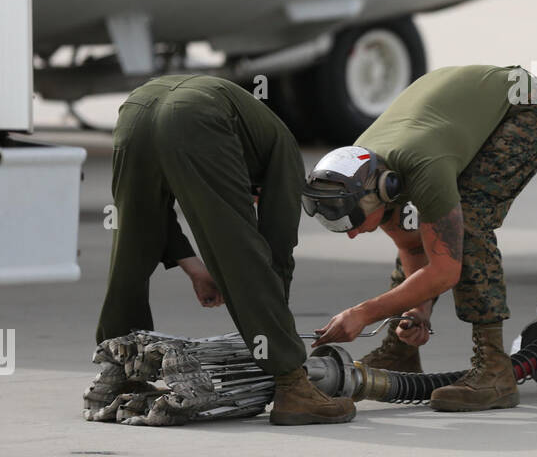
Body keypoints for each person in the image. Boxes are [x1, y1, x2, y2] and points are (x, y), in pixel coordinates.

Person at [95, 75, 355, 426]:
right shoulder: (286, 152)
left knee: (130, 238)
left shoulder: (254, 134)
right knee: (240, 251)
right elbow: (273, 251)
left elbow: (152, 219)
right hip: (197, 116)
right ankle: (293, 388)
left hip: (136, 109)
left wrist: (196, 269)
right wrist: (276, 336)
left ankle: (118, 373)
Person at [303, 64, 537, 413]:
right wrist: (417, 313)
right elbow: (411, 244)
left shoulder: (422, 166)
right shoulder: (364, 169)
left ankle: (495, 370)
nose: (351, 234)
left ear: (383, 190)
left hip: (524, 103)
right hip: (455, 112)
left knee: (467, 224)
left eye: (354, 222)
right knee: (424, 224)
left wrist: (363, 313)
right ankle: (401, 351)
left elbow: (444, 271)